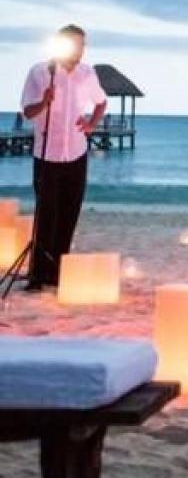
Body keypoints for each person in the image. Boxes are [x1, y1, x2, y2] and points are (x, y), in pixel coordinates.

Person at [19, 24, 107, 290]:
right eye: (75, 44)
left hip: (76, 153)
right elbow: (27, 112)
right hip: (47, 153)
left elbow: (101, 101)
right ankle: (38, 275)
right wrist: (44, 102)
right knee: (46, 215)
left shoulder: (87, 74)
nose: (79, 50)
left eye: (82, 45)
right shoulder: (39, 72)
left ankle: (58, 274)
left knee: (69, 213)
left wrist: (92, 123)